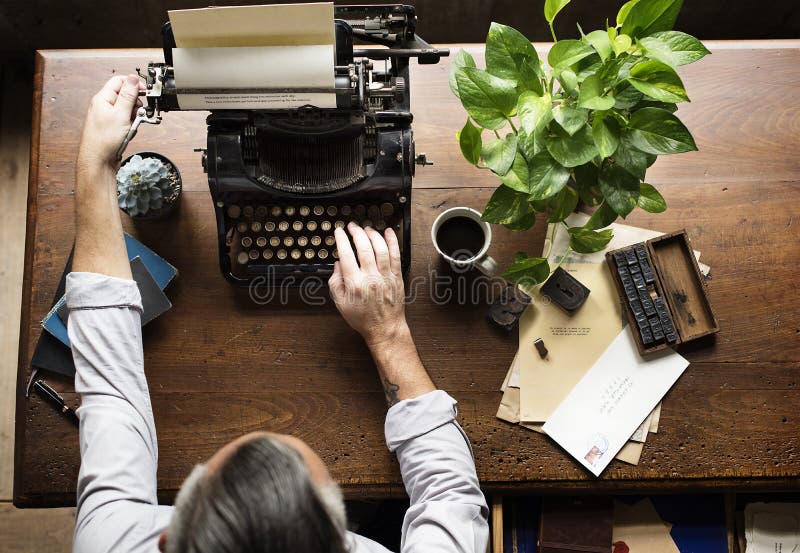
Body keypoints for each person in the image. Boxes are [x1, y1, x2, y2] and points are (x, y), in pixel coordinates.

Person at [68, 74, 489, 553]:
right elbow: (451, 493)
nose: (266, 435)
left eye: (214, 477)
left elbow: (108, 388)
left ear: (164, 542)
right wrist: (388, 332)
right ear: (345, 540)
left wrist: (95, 161)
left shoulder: (111, 541)